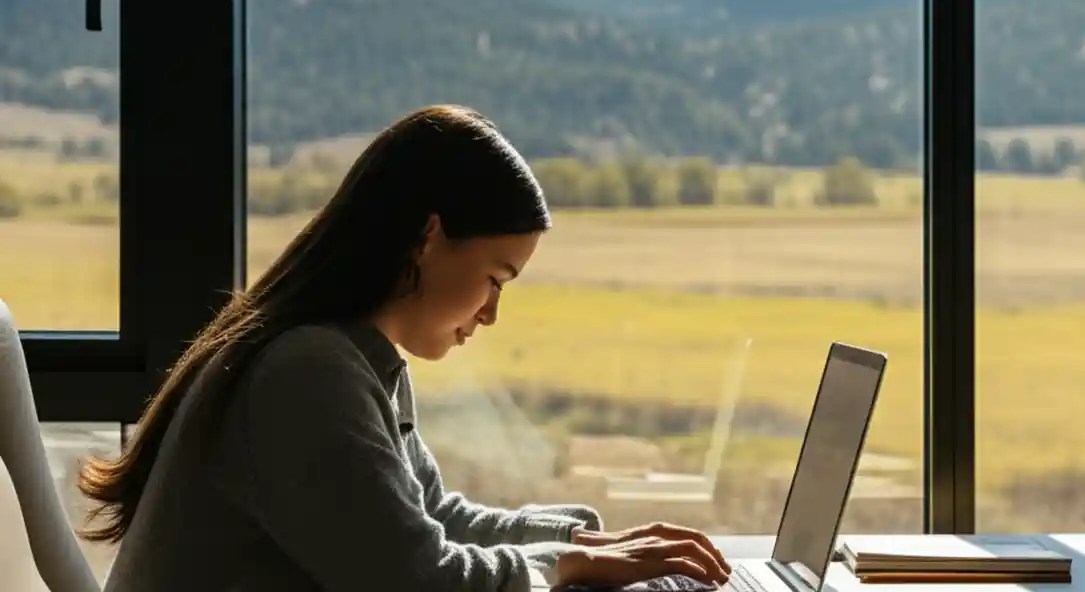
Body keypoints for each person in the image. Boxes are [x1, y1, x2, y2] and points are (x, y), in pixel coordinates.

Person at [77, 105, 732, 592]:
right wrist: (567, 564)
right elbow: (419, 581)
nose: (492, 313)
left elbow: (430, 519)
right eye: (495, 279)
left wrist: (584, 541)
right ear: (429, 237)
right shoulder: (306, 375)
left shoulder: (351, 359)